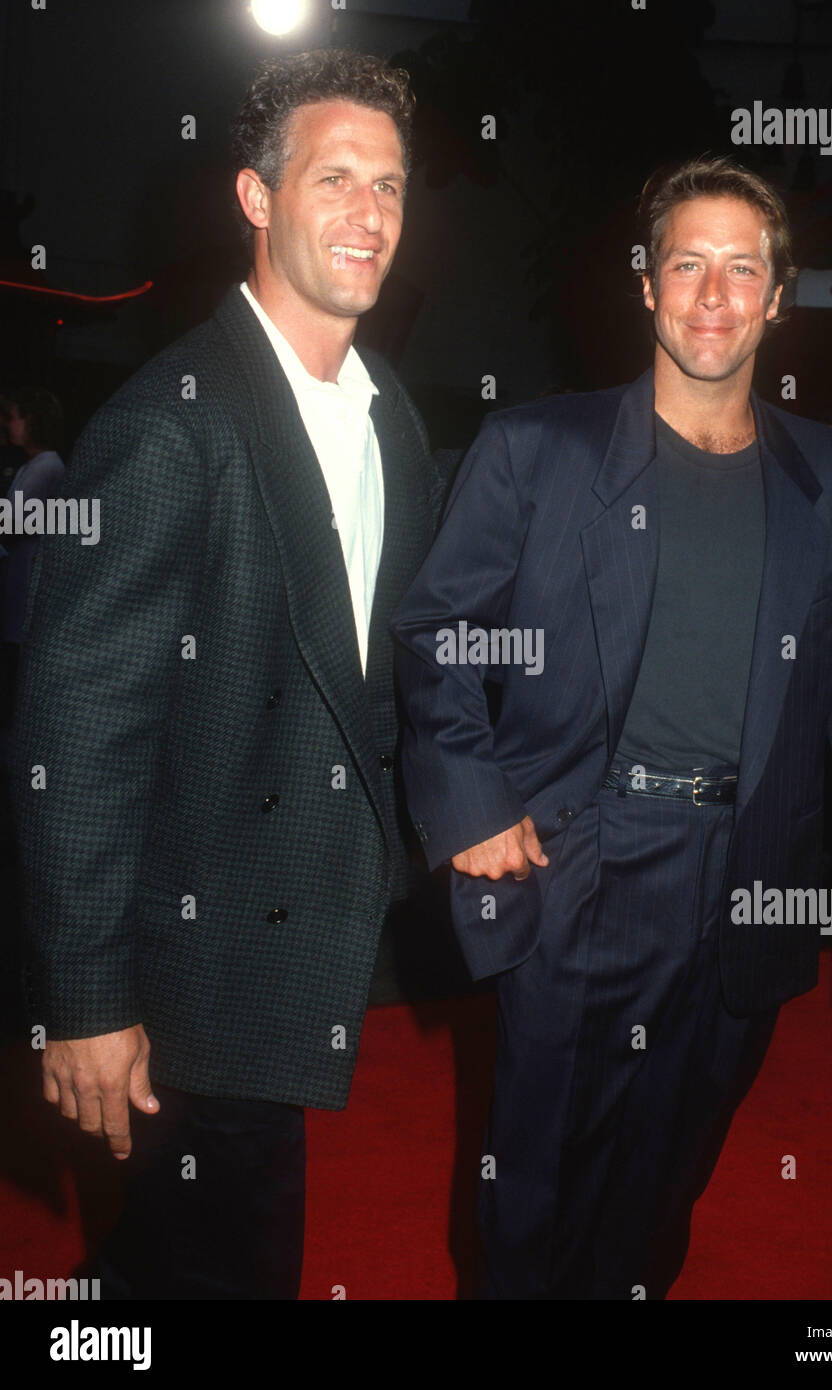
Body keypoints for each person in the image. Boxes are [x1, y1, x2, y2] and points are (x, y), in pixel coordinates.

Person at [391, 154, 832, 1300]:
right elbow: (436, 630)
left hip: (750, 877)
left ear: (776, 297)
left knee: (663, 1187)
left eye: (739, 269)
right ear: (645, 285)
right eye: (685, 264)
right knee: (534, 1194)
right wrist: (471, 795)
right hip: (581, 863)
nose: (710, 296)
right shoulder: (537, 452)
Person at [11, 48, 446, 1299]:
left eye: (391, 186)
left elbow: (378, 680)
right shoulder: (170, 426)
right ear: (256, 200)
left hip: (291, 959)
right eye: (334, 179)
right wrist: (87, 1002)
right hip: (179, 987)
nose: (368, 214)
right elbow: (78, 736)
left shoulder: (385, 421)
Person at [0, 389, 63, 736]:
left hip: (27, 586)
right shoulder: (32, 465)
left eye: (15, 417)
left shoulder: (48, 465)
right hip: (17, 584)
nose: (10, 424)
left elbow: (11, 522)